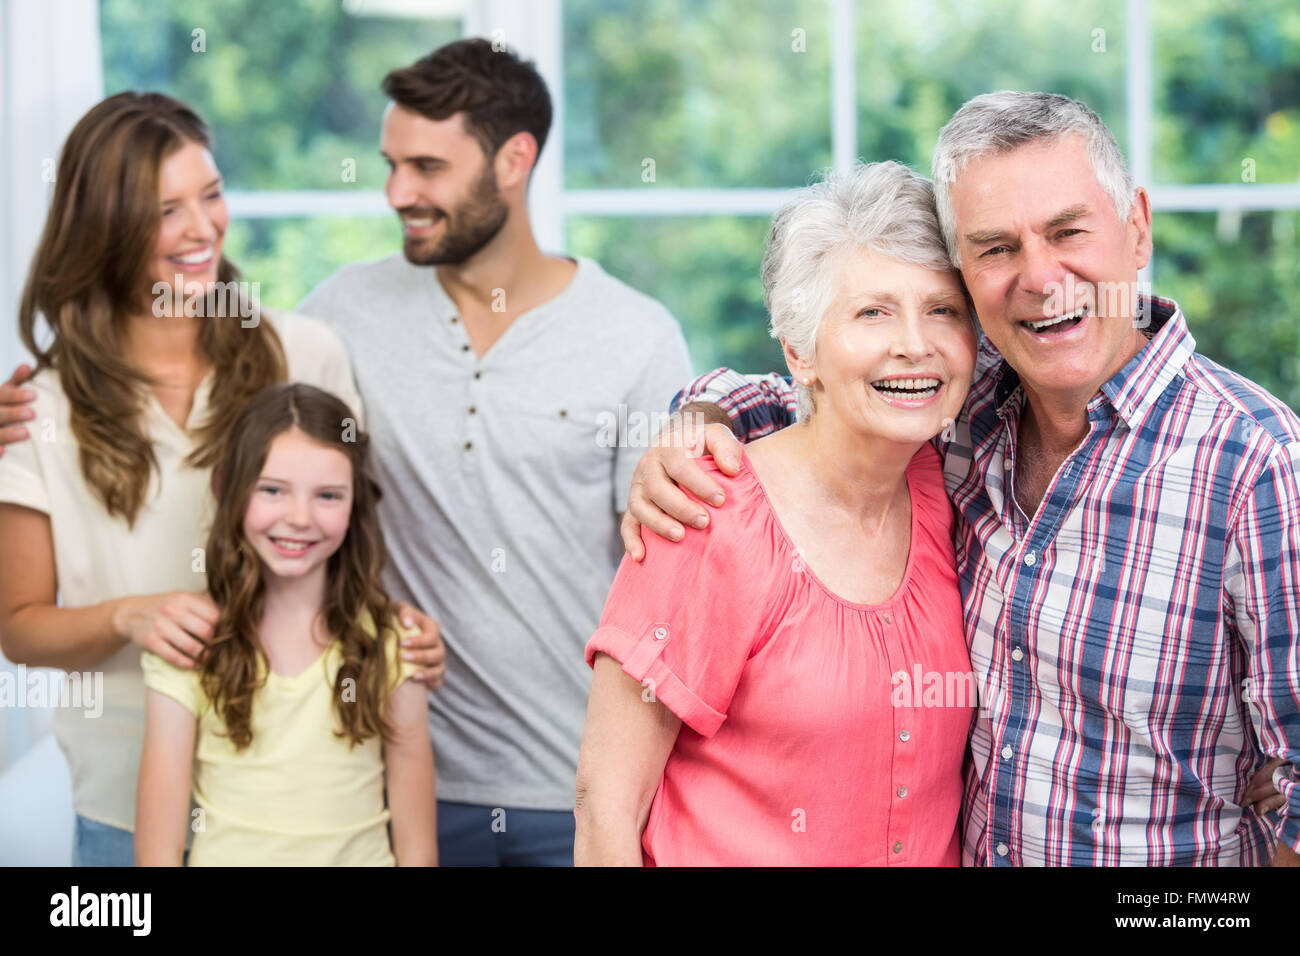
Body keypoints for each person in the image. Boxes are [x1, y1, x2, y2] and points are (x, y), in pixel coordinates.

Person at [623, 92, 1299, 866]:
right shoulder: (962, 407)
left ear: (1137, 228)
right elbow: (815, 393)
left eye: (1068, 231)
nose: (1041, 277)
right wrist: (702, 417)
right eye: (996, 248)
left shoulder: (1255, 462)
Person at [0, 91, 441, 867]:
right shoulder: (40, 405)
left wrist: (403, 637)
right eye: (166, 209)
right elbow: (18, 627)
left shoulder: (306, 355)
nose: (202, 229)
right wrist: (128, 618)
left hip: (304, 810)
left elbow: (351, 548)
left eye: (211, 195)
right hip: (120, 805)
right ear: (104, 224)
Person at [294, 39, 694, 865]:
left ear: (515, 159)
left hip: (576, 789)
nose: (398, 192)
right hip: (397, 781)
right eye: (391, 164)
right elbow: (231, 438)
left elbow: (666, 579)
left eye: (427, 167)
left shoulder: (635, 336)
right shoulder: (343, 312)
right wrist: (48, 396)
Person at [573, 162, 976, 865]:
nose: (916, 342)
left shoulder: (962, 490)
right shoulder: (705, 510)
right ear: (799, 351)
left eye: (941, 309)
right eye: (872, 311)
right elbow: (606, 806)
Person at [136, 384, 436, 866]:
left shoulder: (396, 644)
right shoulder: (189, 642)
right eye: (272, 490)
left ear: (355, 503)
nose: (299, 518)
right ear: (231, 490)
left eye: (328, 495)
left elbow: (418, 848)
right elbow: (157, 853)